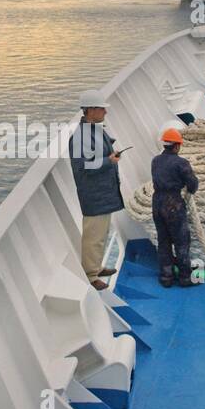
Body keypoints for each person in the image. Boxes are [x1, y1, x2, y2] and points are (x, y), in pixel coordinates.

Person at [70, 90, 124, 290]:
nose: (105, 112)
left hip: (103, 193)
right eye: (102, 108)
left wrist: (110, 152)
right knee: (93, 236)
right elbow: (83, 166)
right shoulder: (80, 136)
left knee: (101, 233)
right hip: (94, 196)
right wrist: (109, 161)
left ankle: (96, 267)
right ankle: (91, 275)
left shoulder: (94, 129)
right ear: (90, 110)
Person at [150, 128, 200, 288]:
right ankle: (185, 278)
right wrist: (189, 188)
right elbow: (192, 185)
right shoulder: (181, 163)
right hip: (173, 203)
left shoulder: (155, 160)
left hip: (157, 202)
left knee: (163, 241)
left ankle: (166, 277)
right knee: (181, 241)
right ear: (177, 146)